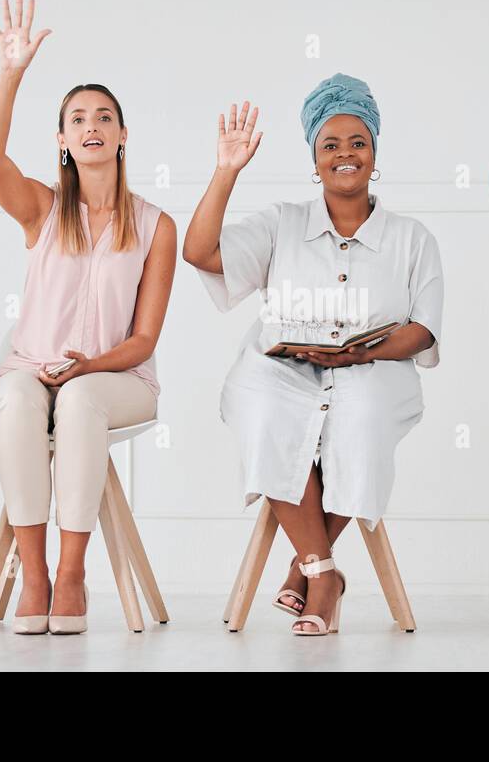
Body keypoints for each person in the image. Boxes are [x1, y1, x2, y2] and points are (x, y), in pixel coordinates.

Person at [182, 74, 443, 636]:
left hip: (374, 372)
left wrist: (356, 355)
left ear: (375, 153)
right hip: (279, 370)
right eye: (331, 145)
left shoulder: (412, 237)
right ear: (314, 159)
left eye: (358, 143)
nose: (345, 155)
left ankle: (307, 569)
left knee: (363, 422)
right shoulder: (282, 222)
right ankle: (325, 573)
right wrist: (227, 171)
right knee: (267, 414)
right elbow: (200, 252)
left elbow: (422, 330)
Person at [0, 0, 176, 636]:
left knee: (82, 397)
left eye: (105, 117)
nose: (92, 125)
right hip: (34, 370)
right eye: (77, 118)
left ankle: (71, 573)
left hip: (119, 382)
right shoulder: (41, 208)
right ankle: (32, 575)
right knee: (13, 394)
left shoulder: (155, 226)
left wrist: (89, 364)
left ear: (122, 136)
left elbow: (144, 338)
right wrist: (12, 72)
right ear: (61, 140)